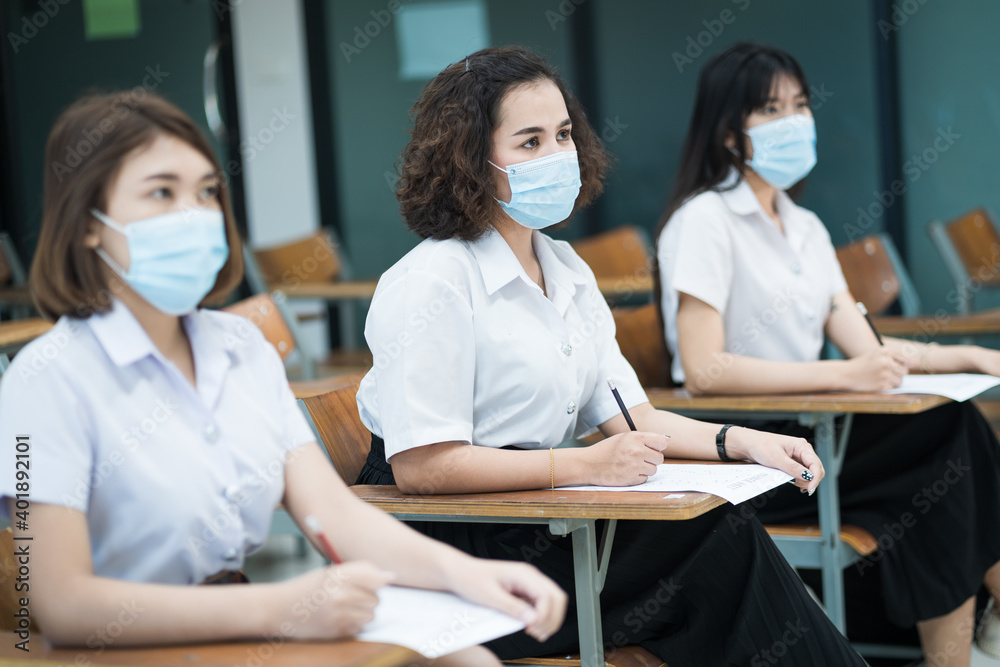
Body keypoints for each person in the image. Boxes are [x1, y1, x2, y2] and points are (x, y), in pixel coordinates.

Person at [0, 91, 569, 666]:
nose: (195, 213)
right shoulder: (44, 381)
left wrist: (472, 576)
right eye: (161, 192)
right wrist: (282, 610)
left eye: (205, 192)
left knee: (466, 659)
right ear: (87, 224)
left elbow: (336, 516)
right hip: (127, 650)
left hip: (235, 629)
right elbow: (61, 605)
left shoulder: (239, 348)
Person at [354, 45, 866, 666]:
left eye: (564, 134)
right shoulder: (432, 280)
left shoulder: (564, 267)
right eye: (530, 142)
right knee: (716, 553)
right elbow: (424, 468)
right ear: (472, 159)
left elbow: (631, 417)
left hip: (540, 515)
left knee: (721, 538)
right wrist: (582, 467)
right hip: (454, 543)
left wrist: (743, 440)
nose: (558, 156)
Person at [656, 41, 1000, 666]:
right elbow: (704, 371)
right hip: (754, 450)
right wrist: (846, 373)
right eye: (771, 109)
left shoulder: (805, 226)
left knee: (957, 435)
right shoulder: (703, 221)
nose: (794, 120)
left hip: (822, 429)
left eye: (800, 104)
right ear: (730, 133)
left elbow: (867, 349)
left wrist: (970, 356)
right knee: (947, 437)